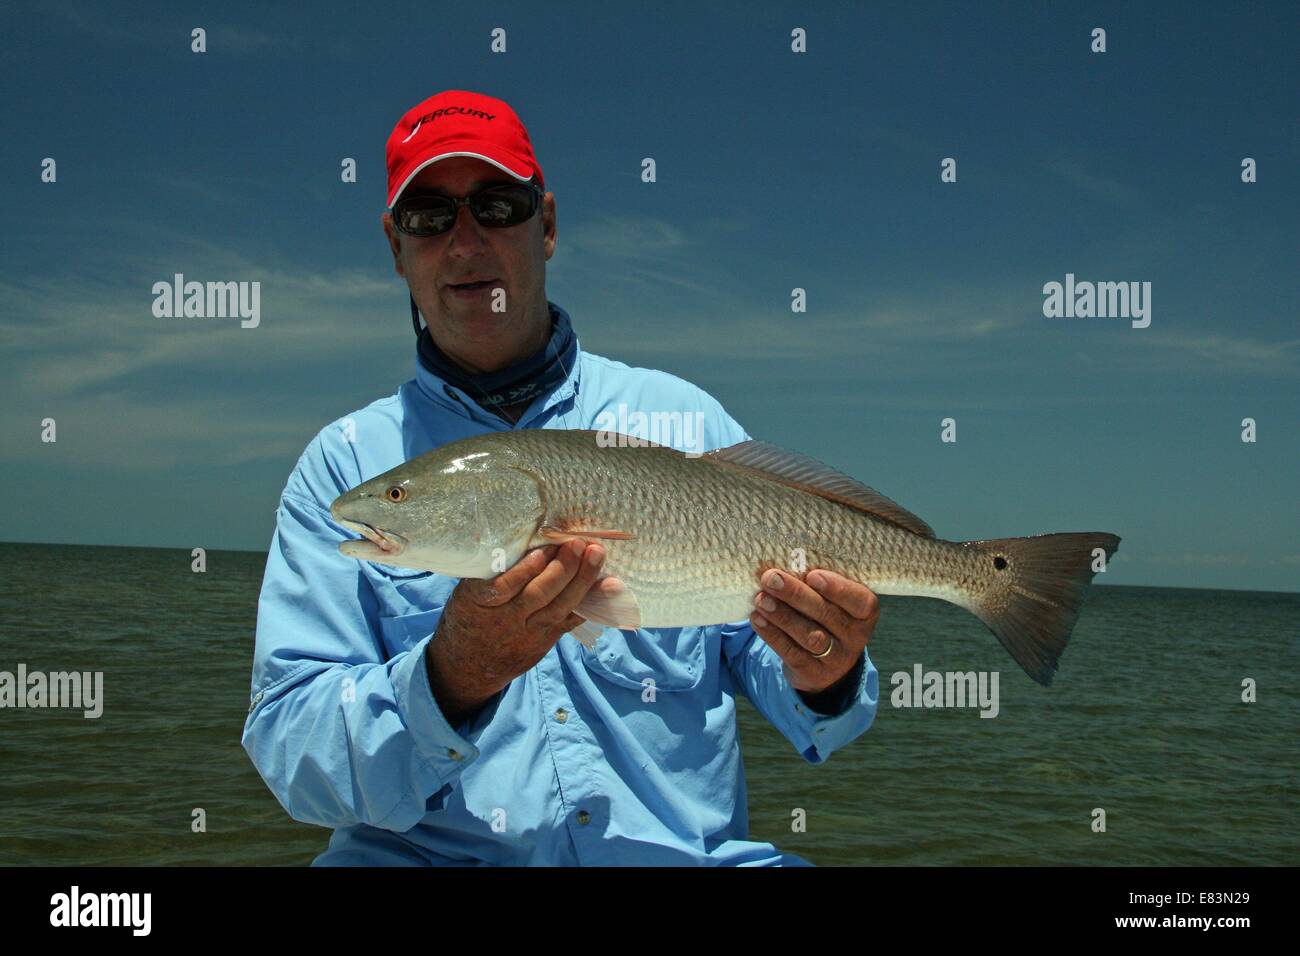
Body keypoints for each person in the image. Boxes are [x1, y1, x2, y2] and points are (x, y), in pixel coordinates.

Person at [241, 90, 882, 866]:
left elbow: (807, 702)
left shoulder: (682, 420)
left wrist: (826, 671)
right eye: (430, 216)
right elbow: (293, 754)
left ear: (545, 225)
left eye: (496, 206)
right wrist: (450, 677)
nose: (465, 241)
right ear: (395, 245)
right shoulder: (344, 465)